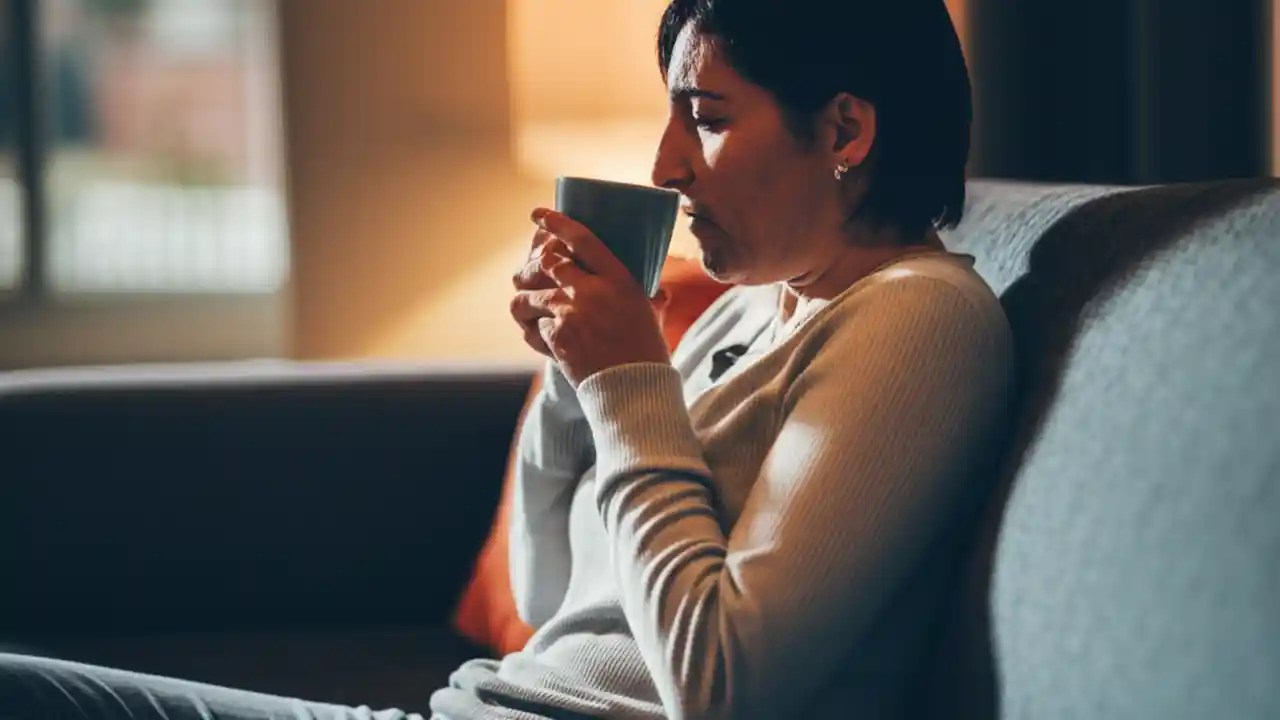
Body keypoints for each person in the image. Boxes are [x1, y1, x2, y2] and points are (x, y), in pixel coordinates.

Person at [0, 0, 1012, 718]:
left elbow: (722, 686)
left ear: (844, 129)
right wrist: (575, 384)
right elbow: (545, 599)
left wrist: (627, 382)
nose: (664, 164)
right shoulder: (743, 314)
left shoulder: (920, 321)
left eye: (704, 118)